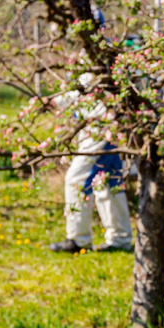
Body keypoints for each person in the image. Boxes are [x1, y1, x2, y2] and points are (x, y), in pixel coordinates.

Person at [48, 77, 133, 253]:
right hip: (110, 129)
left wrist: (54, 101)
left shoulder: (97, 62)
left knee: (76, 180)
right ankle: (121, 238)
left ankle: (79, 239)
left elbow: (87, 88)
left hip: (100, 131)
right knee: (109, 184)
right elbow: (81, 90)